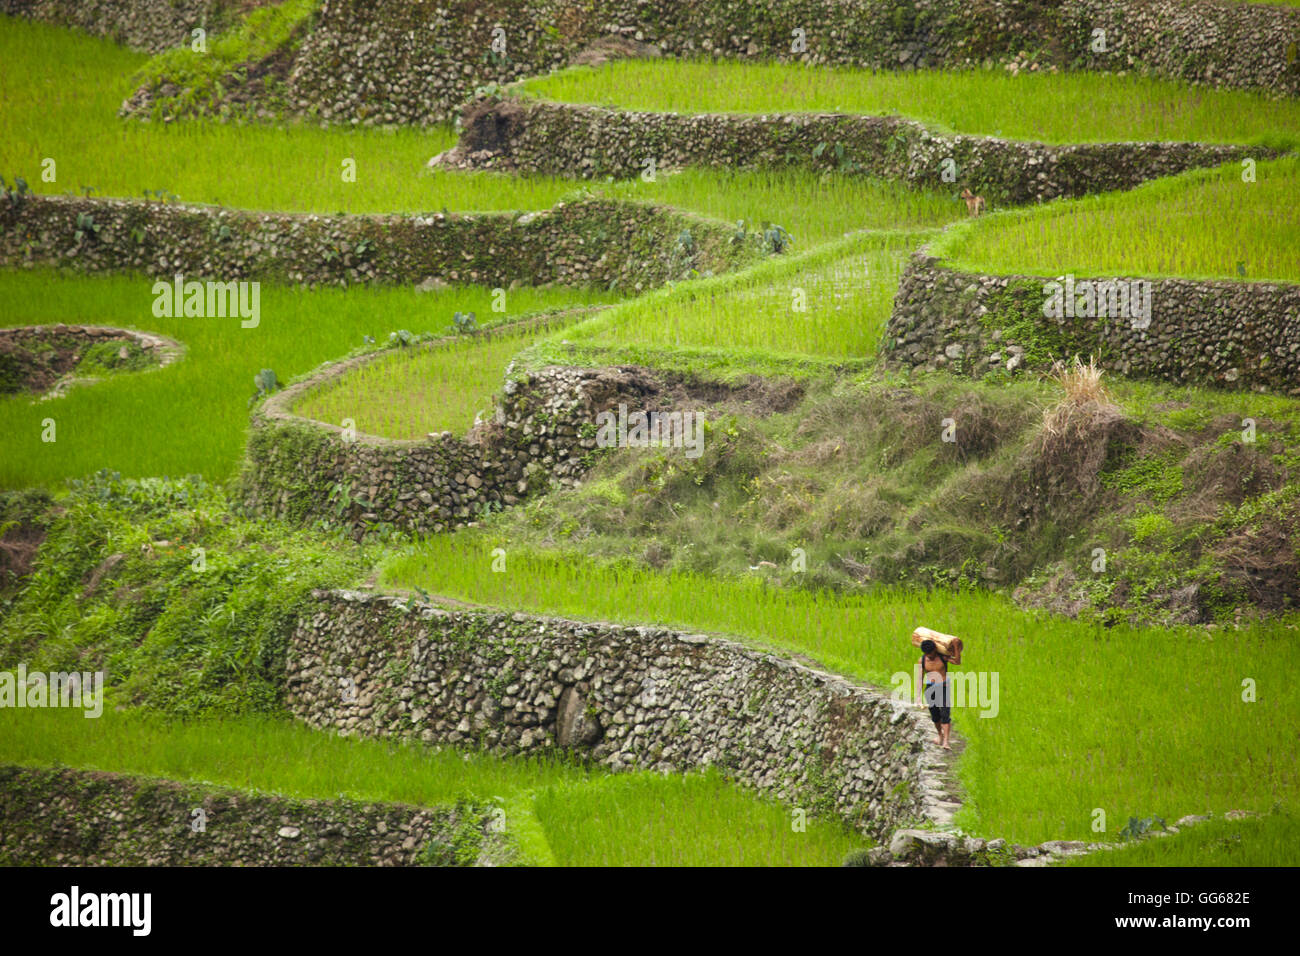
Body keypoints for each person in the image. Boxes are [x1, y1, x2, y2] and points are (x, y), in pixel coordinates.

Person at [919, 638, 961, 750]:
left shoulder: (943, 657)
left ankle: (946, 741)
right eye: (927, 654)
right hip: (930, 689)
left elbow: (957, 662)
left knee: (945, 714)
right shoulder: (922, 660)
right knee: (935, 715)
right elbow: (920, 678)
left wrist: (956, 647)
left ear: (935, 650)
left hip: (943, 687)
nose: (930, 656)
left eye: (931, 653)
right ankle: (939, 735)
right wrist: (918, 697)